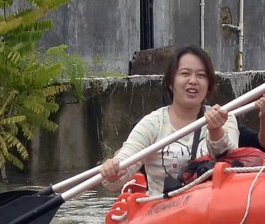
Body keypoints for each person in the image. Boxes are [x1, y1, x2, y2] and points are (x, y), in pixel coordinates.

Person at [100, 46, 239, 194]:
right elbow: (116, 177)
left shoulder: (225, 118)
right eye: (185, 73)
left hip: (212, 204)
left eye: (201, 75)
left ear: (209, 84)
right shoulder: (152, 123)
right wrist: (113, 171)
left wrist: (216, 131)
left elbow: (232, 163)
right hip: (163, 207)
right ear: (171, 82)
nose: (193, 81)